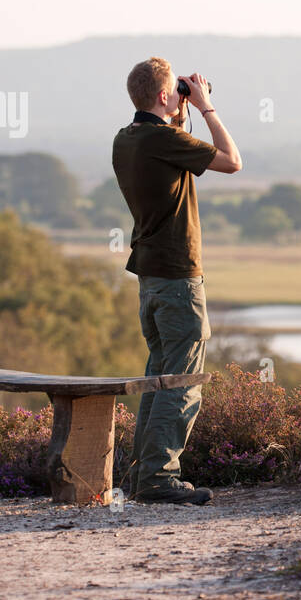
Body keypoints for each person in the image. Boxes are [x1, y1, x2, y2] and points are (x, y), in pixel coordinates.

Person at [112, 57, 243, 504]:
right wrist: (205, 107)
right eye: (176, 92)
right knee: (182, 381)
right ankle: (159, 478)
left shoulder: (128, 139)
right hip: (177, 279)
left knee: (159, 378)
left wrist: (177, 109)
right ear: (165, 95)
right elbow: (231, 161)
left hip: (150, 278)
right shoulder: (163, 138)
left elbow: (171, 146)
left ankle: (142, 476)